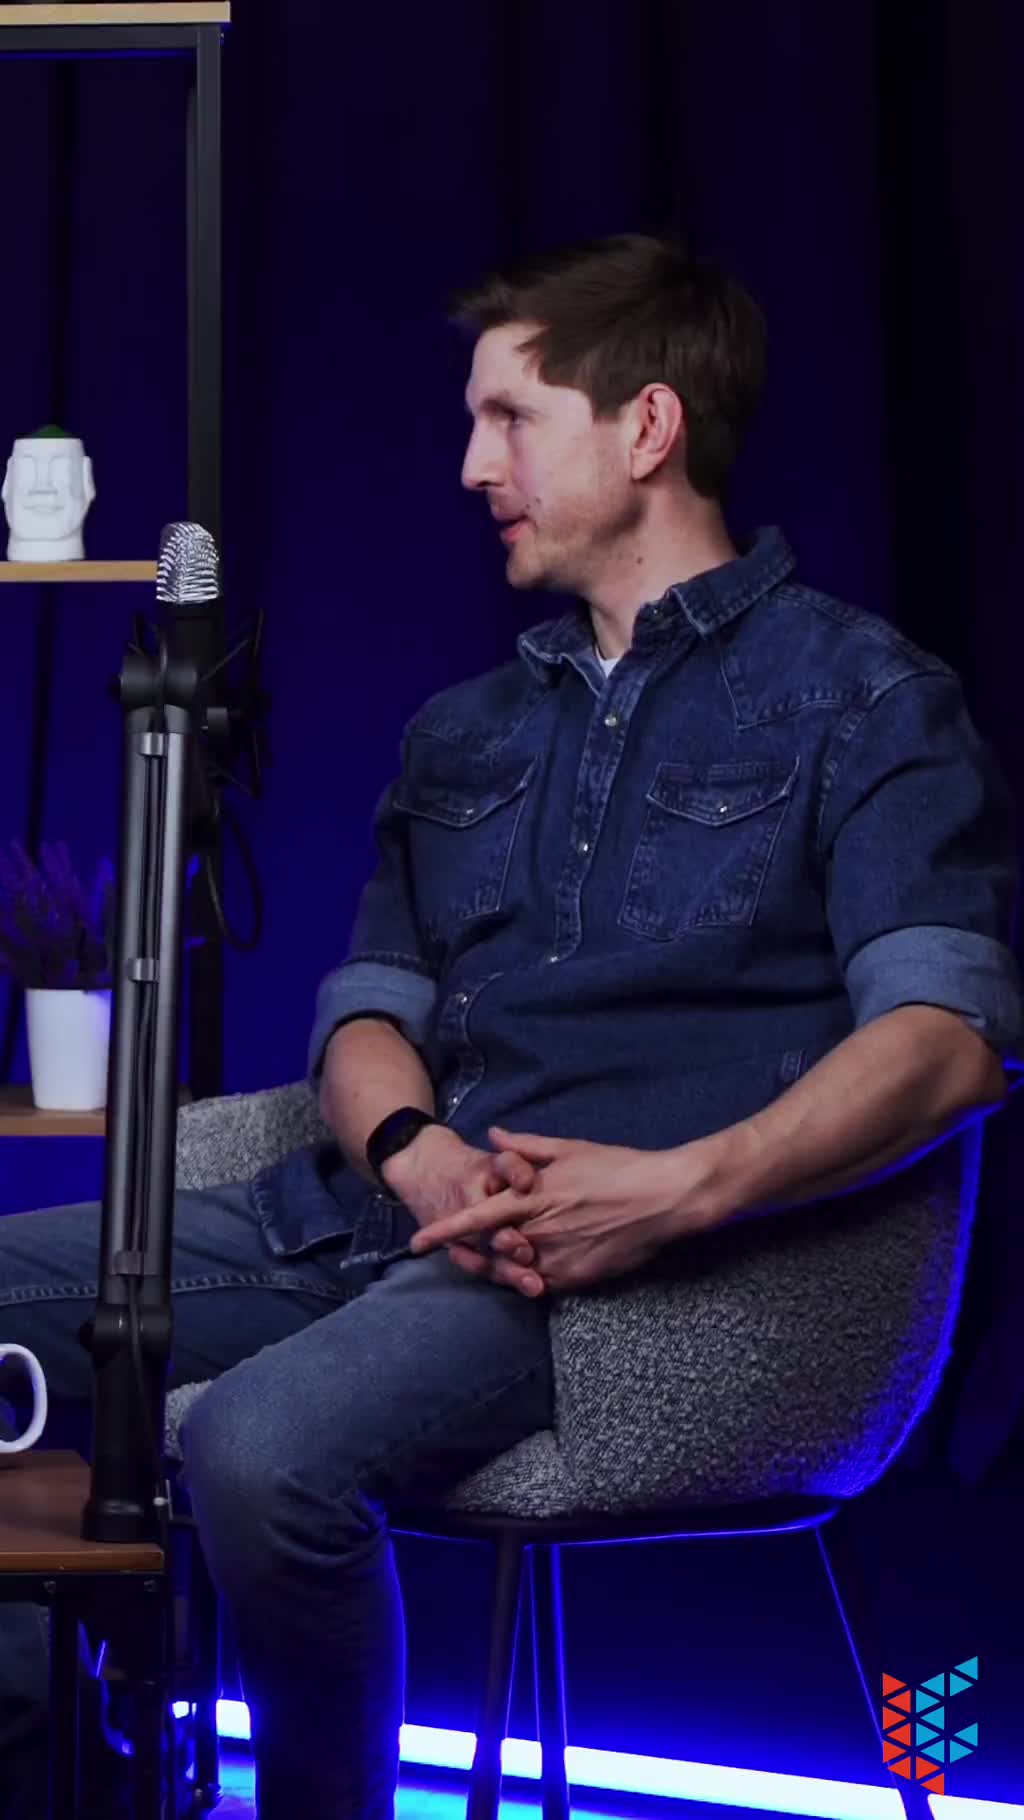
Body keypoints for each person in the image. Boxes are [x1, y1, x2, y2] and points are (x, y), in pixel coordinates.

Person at [0, 232, 1020, 1819]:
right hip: (368, 1214)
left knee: (261, 1452)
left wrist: (679, 1188)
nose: (473, 466)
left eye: (509, 419)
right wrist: (410, 1148)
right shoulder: (465, 728)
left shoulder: (866, 698)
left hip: (605, 1278)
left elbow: (950, 1039)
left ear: (649, 425)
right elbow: (367, 1015)